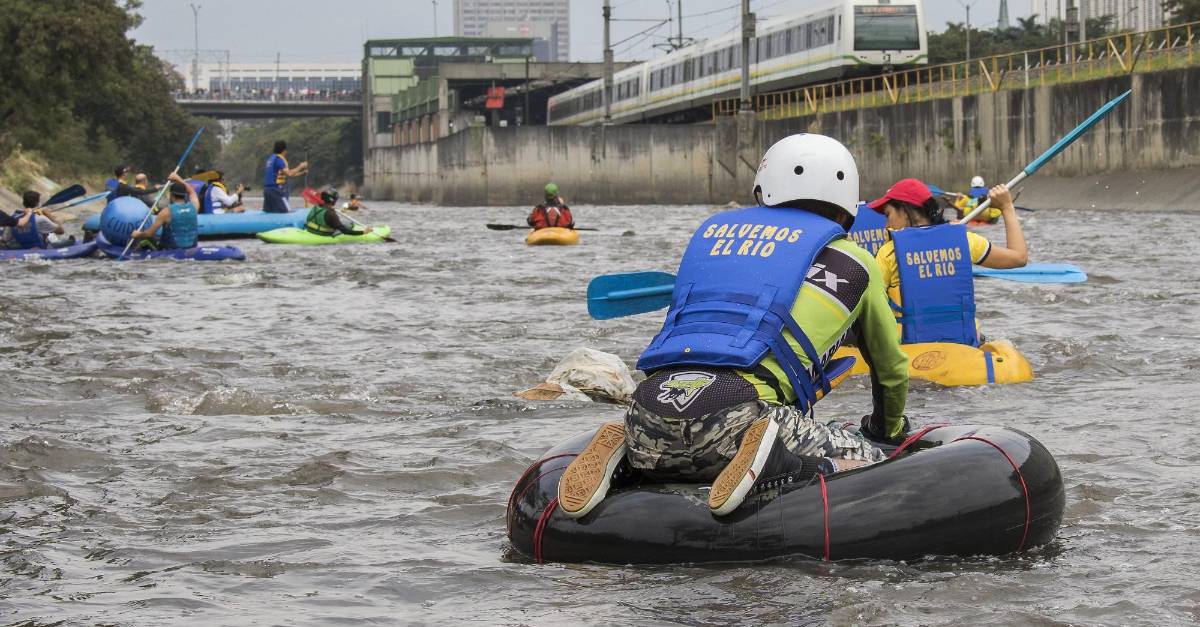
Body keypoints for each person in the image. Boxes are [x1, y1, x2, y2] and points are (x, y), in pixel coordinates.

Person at [556, 134, 911, 520]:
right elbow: (891, 370)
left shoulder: (716, 239)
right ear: (846, 201)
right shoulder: (856, 261)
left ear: (766, 189)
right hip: (742, 417)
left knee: (679, 430)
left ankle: (629, 459)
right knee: (876, 462)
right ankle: (779, 463)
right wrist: (887, 432)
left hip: (648, 410)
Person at [869, 178, 1028, 347]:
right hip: (963, 347)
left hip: (911, 348)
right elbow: (1019, 257)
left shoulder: (889, 252)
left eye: (888, 215)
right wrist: (1007, 207)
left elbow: (869, 309)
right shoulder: (964, 240)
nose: (886, 224)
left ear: (905, 210)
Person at [130, 172, 199, 250]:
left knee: (143, 239)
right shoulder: (194, 206)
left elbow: (149, 233)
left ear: (171, 195)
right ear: (184, 194)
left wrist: (137, 234)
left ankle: (133, 253)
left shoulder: (166, 212)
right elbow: (192, 192)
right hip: (191, 248)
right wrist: (178, 178)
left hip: (170, 250)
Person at [2, 191, 67, 249]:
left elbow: (5, 238)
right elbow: (61, 231)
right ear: (38, 203)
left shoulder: (13, 218)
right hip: (39, 250)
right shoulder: (41, 219)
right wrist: (49, 216)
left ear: (24, 203)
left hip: (20, 250)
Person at [305, 187, 373, 237]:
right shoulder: (331, 214)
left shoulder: (316, 207)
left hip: (310, 230)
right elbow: (345, 231)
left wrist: (331, 209)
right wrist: (363, 232)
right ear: (334, 200)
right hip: (322, 234)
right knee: (349, 224)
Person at [262, 140, 308, 213]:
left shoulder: (271, 159)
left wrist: (301, 173)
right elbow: (289, 174)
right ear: (284, 150)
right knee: (286, 212)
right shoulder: (279, 160)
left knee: (270, 212)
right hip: (276, 190)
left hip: (267, 190)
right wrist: (301, 166)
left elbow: (287, 174)